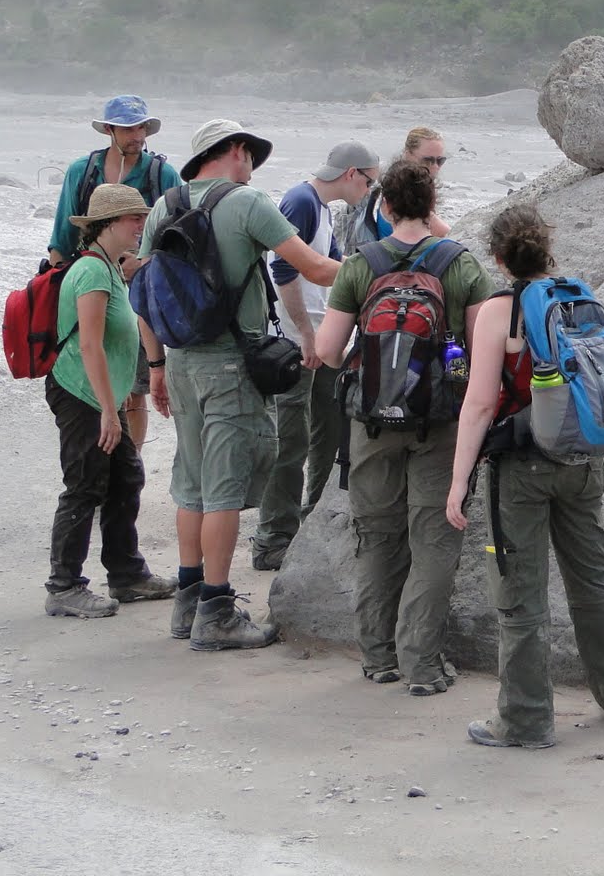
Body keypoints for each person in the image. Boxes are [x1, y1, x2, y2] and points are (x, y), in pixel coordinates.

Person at [139, 119, 342, 651]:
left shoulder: (164, 205)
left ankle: (187, 602)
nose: (251, 162)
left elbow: (145, 290)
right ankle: (217, 610)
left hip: (180, 362)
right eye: (249, 152)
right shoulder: (247, 202)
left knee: (191, 485)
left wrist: (155, 367)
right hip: (231, 363)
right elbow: (315, 269)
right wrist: (389, 264)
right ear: (235, 151)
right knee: (224, 491)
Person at [446, 204, 604, 749]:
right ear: (545, 248)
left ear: (499, 257)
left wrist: (458, 481)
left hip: (523, 468)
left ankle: (526, 721)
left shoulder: (499, 312)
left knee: (520, 597)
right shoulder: (577, 300)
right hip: (584, 462)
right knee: (595, 582)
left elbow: (481, 403)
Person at [315, 156, 497, 691]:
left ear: (385, 206)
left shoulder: (359, 264)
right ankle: (422, 664)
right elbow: (476, 355)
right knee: (434, 539)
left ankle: (378, 657)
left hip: (370, 423)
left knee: (377, 537)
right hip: (440, 423)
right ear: (433, 206)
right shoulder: (461, 265)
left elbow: (327, 353)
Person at [43, 184, 178, 618]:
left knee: (125, 478)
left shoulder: (112, 267)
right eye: (132, 218)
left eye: (141, 217)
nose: (141, 225)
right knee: (84, 485)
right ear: (106, 225)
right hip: (80, 393)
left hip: (100, 395)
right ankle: (63, 587)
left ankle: (126, 575)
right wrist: (108, 410)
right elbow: (90, 347)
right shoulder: (92, 272)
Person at [250, 141, 380, 572]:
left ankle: (311, 516)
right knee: (291, 438)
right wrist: (305, 335)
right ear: (350, 174)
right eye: (369, 180)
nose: (370, 188)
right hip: (295, 341)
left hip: (322, 338)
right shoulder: (301, 201)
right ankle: (273, 538)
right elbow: (284, 270)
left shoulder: (322, 208)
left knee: (330, 424)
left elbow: (338, 267)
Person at [47, 95, 182, 452]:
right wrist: (66, 284)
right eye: (128, 127)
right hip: (91, 289)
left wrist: (143, 262)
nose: (136, 135)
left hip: (140, 294)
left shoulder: (162, 174)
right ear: (109, 129)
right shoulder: (82, 171)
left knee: (135, 385)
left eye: (141, 126)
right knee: (90, 369)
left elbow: (180, 238)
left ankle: (128, 463)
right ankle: (96, 455)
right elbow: (61, 237)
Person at [334, 126, 451, 254]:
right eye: (428, 160)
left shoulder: (390, 180)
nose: (435, 167)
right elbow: (443, 233)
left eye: (440, 161)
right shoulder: (403, 191)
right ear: (408, 154)